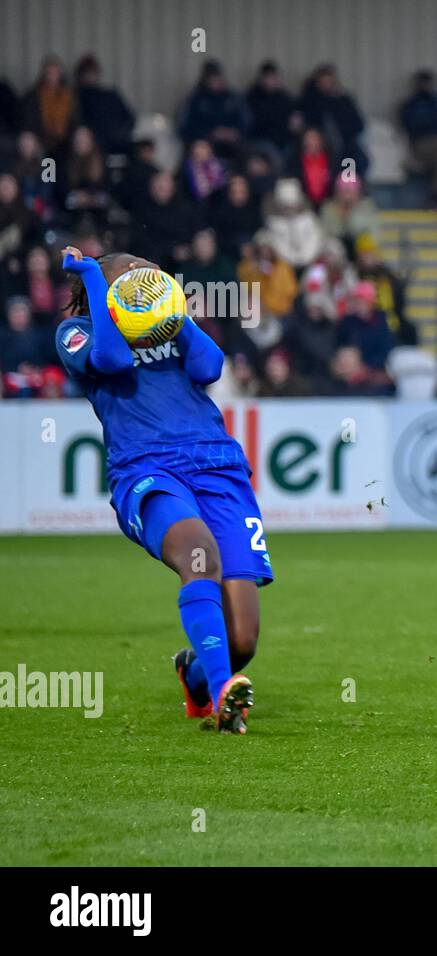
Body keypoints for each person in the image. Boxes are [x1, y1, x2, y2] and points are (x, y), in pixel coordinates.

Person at [54, 247, 271, 733]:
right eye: (125, 267)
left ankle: (196, 677)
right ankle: (222, 697)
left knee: (243, 639)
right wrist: (91, 275)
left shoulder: (169, 328)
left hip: (217, 466)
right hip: (147, 470)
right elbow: (110, 359)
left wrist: (179, 315)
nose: (141, 270)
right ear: (102, 285)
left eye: (144, 266)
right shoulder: (77, 332)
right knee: (198, 554)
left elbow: (210, 367)